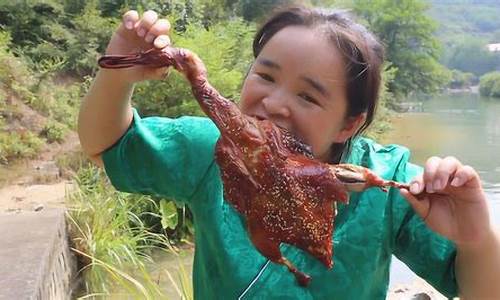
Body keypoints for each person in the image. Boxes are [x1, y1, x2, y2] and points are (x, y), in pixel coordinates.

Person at [78, 5, 500, 299]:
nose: (275, 103)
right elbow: (107, 146)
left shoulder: (388, 183)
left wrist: (477, 238)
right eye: (265, 75)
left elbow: (481, 291)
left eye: (308, 96)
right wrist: (117, 75)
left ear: (349, 123)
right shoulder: (212, 148)